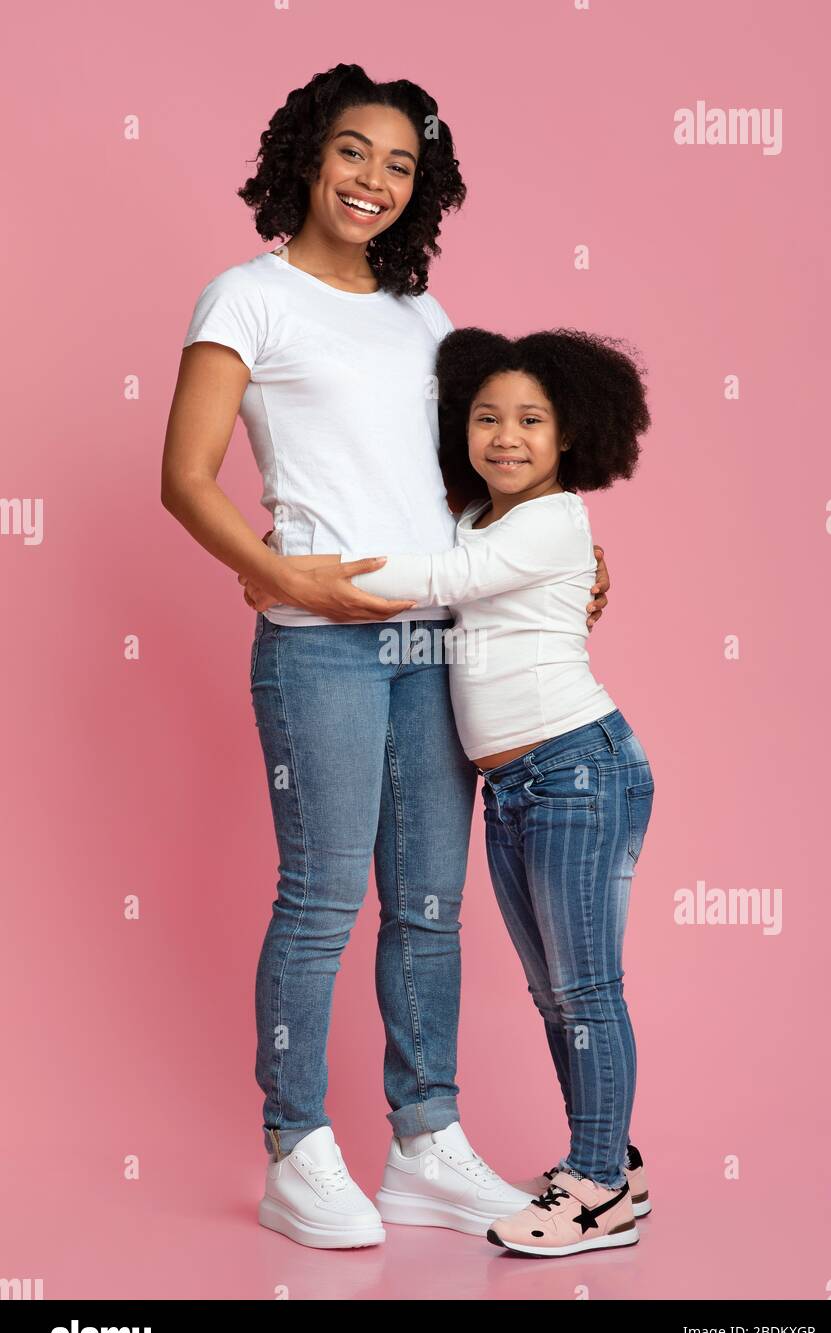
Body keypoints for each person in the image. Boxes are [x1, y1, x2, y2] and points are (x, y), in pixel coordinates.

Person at [161, 63, 611, 1251]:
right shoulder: (245, 297)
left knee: (426, 904)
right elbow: (183, 477)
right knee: (319, 899)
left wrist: (566, 559)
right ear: (309, 156)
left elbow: (469, 483)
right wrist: (278, 570)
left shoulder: (424, 316)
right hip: (318, 645)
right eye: (355, 152)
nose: (374, 180)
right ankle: (295, 1146)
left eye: (403, 165)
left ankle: (423, 1141)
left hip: (433, 644)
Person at [317, 326, 656, 1257]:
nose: (506, 436)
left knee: (586, 990)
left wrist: (300, 572)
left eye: (532, 420)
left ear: (572, 433)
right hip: (515, 790)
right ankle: (612, 1165)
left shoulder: (556, 520)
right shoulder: (481, 518)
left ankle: (594, 1193)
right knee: (557, 995)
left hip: (578, 772)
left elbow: (446, 580)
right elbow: (448, 554)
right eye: (486, 417)